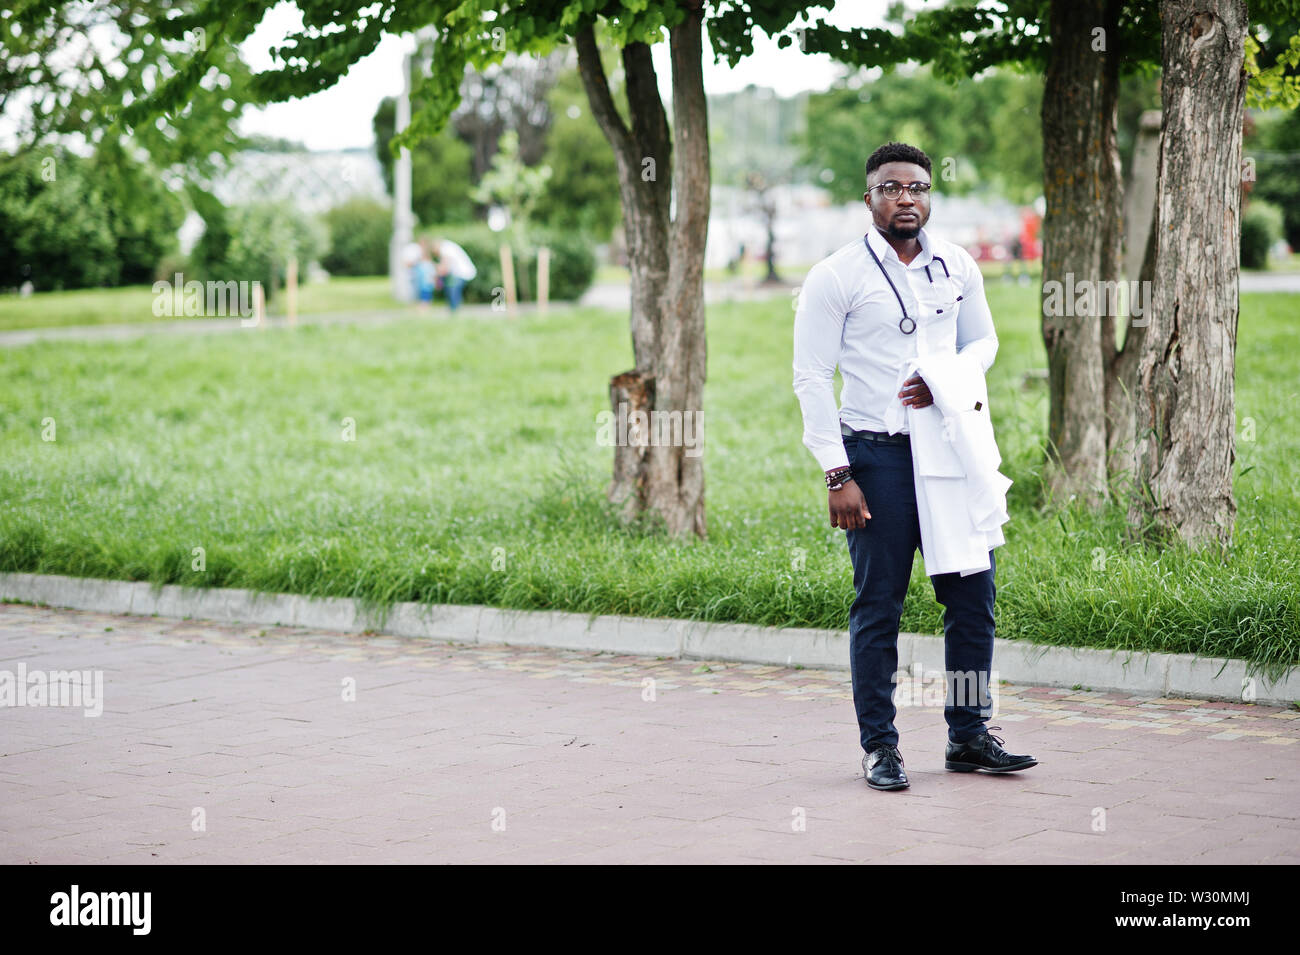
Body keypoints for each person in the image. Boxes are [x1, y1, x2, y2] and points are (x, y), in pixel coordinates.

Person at [792, 141, 1037, 792]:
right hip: (876, 454)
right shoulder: (836, 275)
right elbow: (812, 375)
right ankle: (880, 746)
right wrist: (836, 472)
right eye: (892, 187)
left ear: (931, 195)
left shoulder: (955, 265)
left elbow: (981, 340)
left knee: (973, 598)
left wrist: (946, 377)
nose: (907, 198)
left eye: (919, 187)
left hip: (948, 447)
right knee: (879, 606)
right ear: (868, 197)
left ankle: (968, 733)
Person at [430, 237, 476, 314]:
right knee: (452, 291)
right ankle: (454, 311)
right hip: (460, 273)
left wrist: (434, 272)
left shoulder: (445, 249)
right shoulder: (448, 246)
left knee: (452, 292)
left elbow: (444, 268)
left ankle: (454, 311)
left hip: (460, 273)